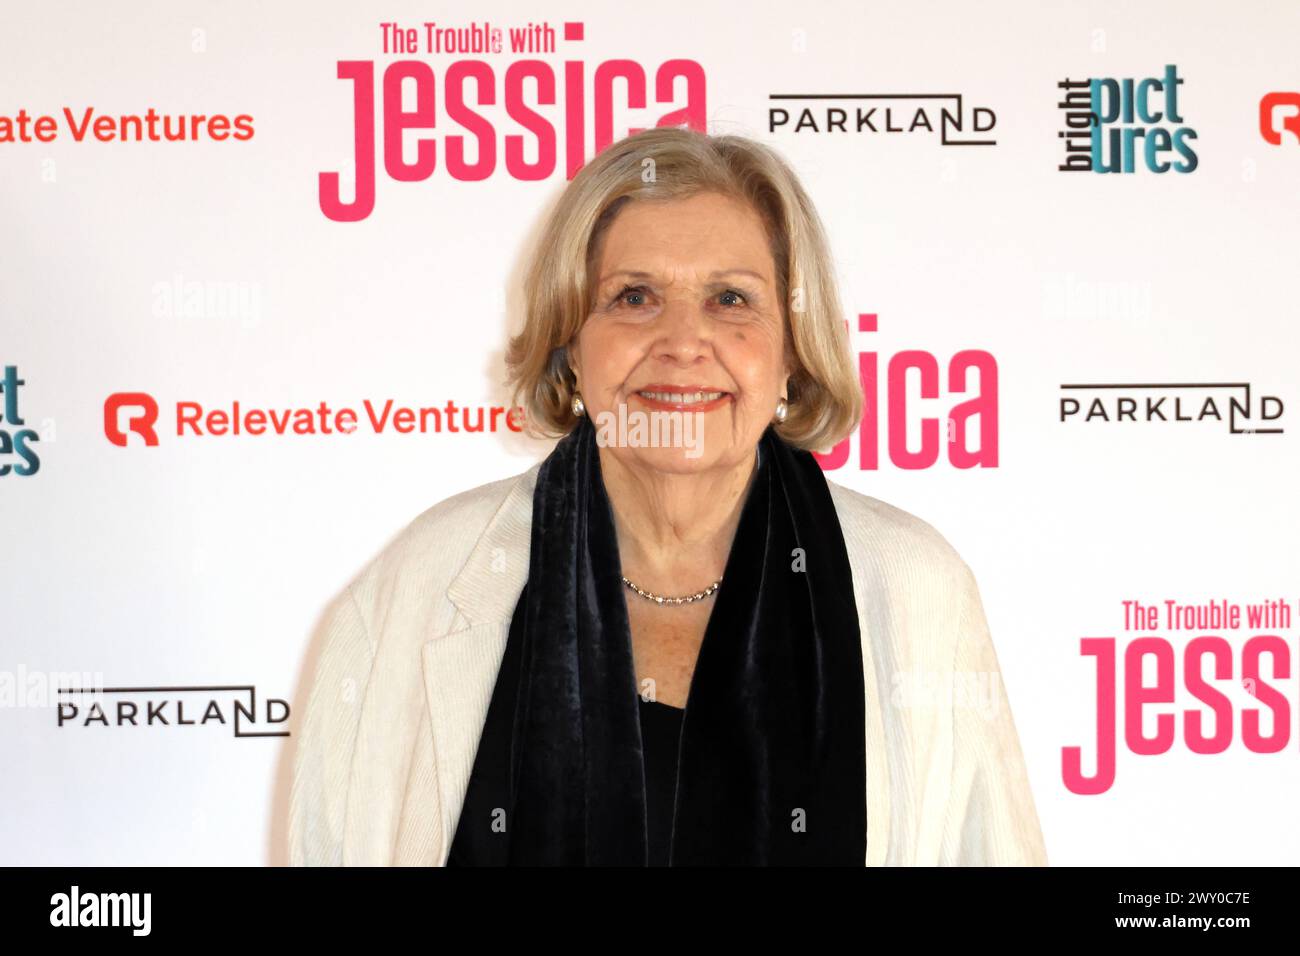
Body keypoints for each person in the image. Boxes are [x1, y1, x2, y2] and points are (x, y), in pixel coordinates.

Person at [287, 126, 1047, 866]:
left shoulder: (915, 588)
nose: (684, 343)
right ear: (571, 346)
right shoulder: (415, 588)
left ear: (791, 353)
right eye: (635, 296)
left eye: (730, 299)